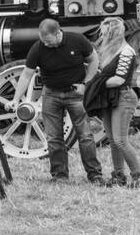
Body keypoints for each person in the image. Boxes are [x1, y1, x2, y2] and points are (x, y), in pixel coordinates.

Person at [12, 18, 104, 184]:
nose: (45, 44)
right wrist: (16, 98)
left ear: (58, 33)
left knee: (85, 136)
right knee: (54, 138)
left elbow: (93, 60)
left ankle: (95, 174)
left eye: (48, 41)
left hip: (75, 94)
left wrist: (85, 84)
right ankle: (60, 175)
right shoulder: (38, 47)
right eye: (43, 40)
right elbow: (26, 74)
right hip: (51, 95)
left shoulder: (77, 40)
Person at [85, 17, 140, 188]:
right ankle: (119, 175)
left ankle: (138, 176)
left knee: (120, 140)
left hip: (123, 96)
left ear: (113, 32)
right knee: (113, 140)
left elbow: (119, 80)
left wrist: (96, 83)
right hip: (111, 98)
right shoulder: (111, 51)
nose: (101, 35)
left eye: (104, 32)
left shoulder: (126, 51)